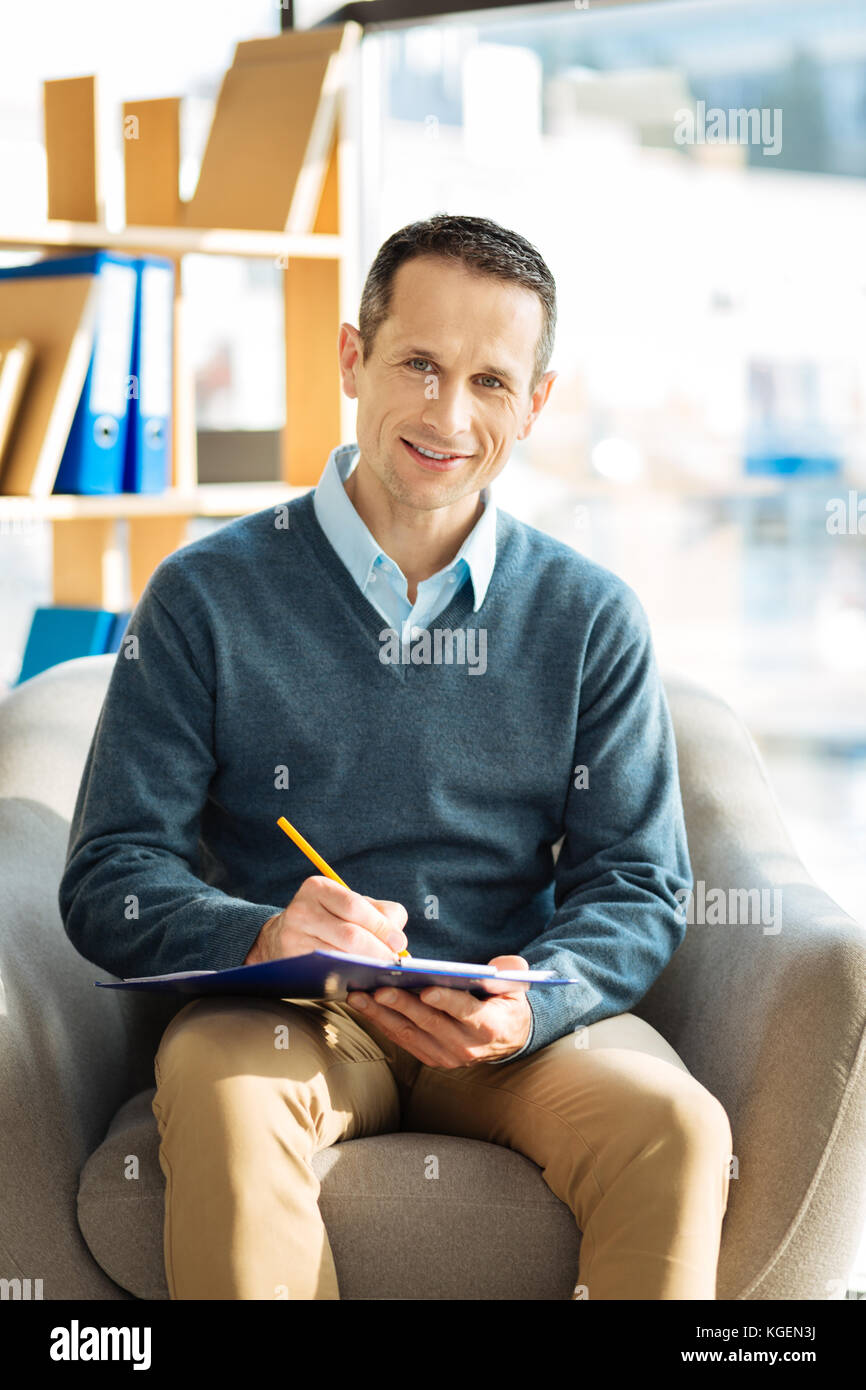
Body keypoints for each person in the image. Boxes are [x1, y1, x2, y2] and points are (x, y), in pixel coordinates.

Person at [59, 213, 732, 1301]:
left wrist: (534, 997)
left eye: (489, 381)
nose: (448, 414)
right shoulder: (206, 597)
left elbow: (636, 882)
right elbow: (110, 876)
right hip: (291, 1019)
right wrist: (265, 932)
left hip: (510, 1028)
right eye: (418, 363)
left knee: (676, 1128)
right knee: (222, 1093)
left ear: (536, 403)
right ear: (349, 358)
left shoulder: (590, 617)